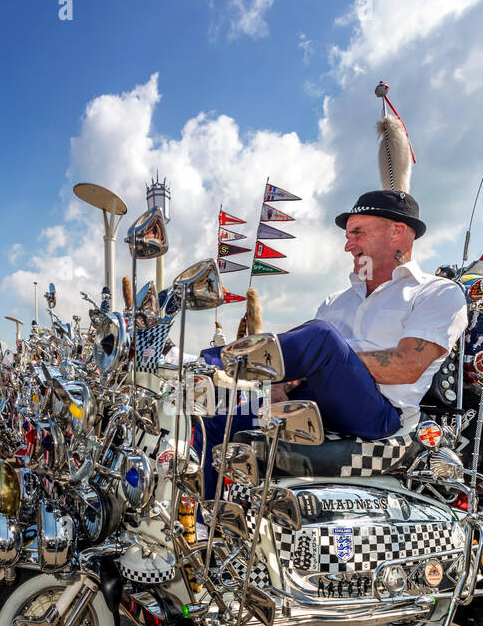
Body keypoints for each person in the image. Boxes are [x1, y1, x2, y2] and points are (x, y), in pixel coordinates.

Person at [196, 189, 467, 497]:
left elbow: (407, 367)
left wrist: (331, 358)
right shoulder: (335, 301)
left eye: (358, 233)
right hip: (317, 400)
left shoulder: (438, 293)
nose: (348, 245)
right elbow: (301, 361)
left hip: (379, 413)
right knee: (216, 423)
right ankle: (205, 528)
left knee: (323, 338)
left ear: (398, 231)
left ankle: (209, 364)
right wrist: (280, 385)